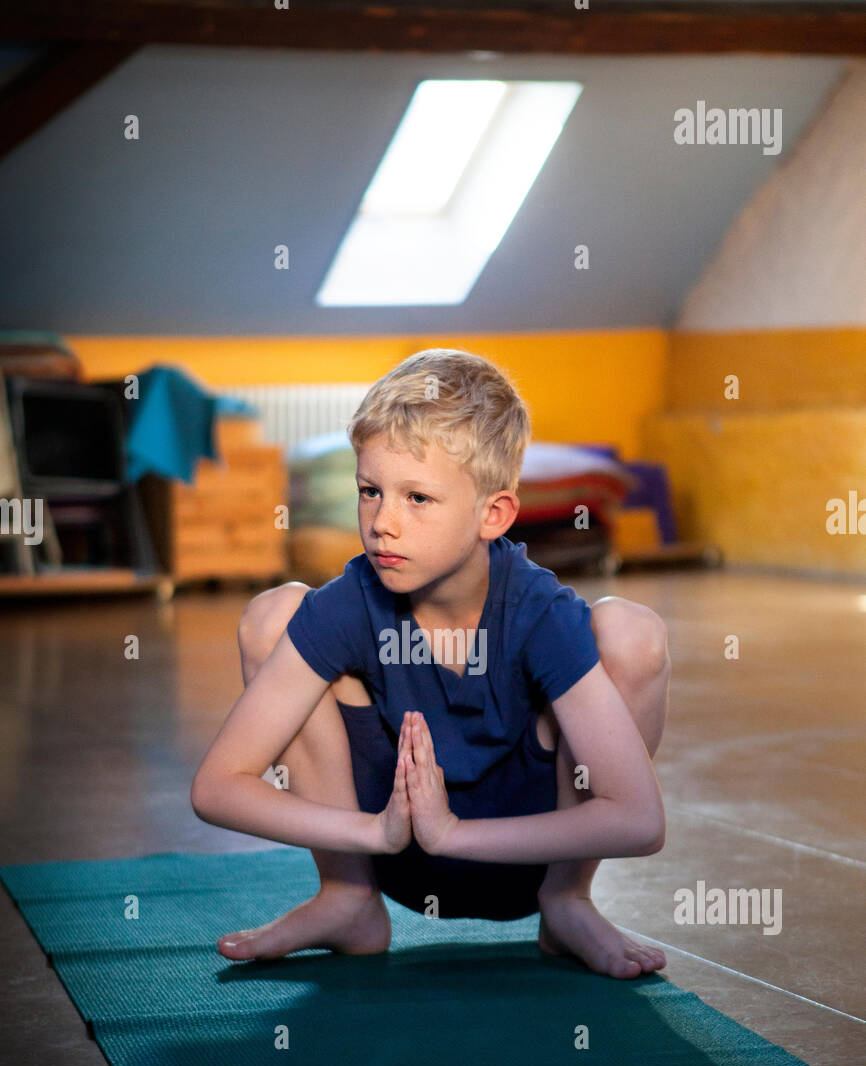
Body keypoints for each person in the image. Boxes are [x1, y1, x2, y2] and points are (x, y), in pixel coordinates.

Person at [191, 349, 671, 978]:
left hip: (530, 853)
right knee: (274, 613)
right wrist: (376, 835)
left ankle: (568, 902)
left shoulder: (539, 613)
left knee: (630, 630)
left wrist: (451, 834)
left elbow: (639, 822)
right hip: (390, 846)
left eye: (417, 498)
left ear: (492, 515)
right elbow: (216, 789)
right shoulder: (348, 605)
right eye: (370, 492)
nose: (382, 523)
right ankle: (347, 899)